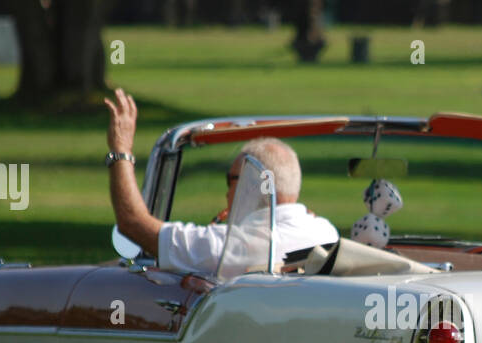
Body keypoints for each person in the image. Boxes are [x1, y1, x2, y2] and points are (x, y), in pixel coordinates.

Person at [103, 88, 339, 275]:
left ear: (252, 184)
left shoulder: (226, 246)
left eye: (231, 181)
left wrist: (120, 151)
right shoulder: (327, 233)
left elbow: (133, 224)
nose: (227, 194)